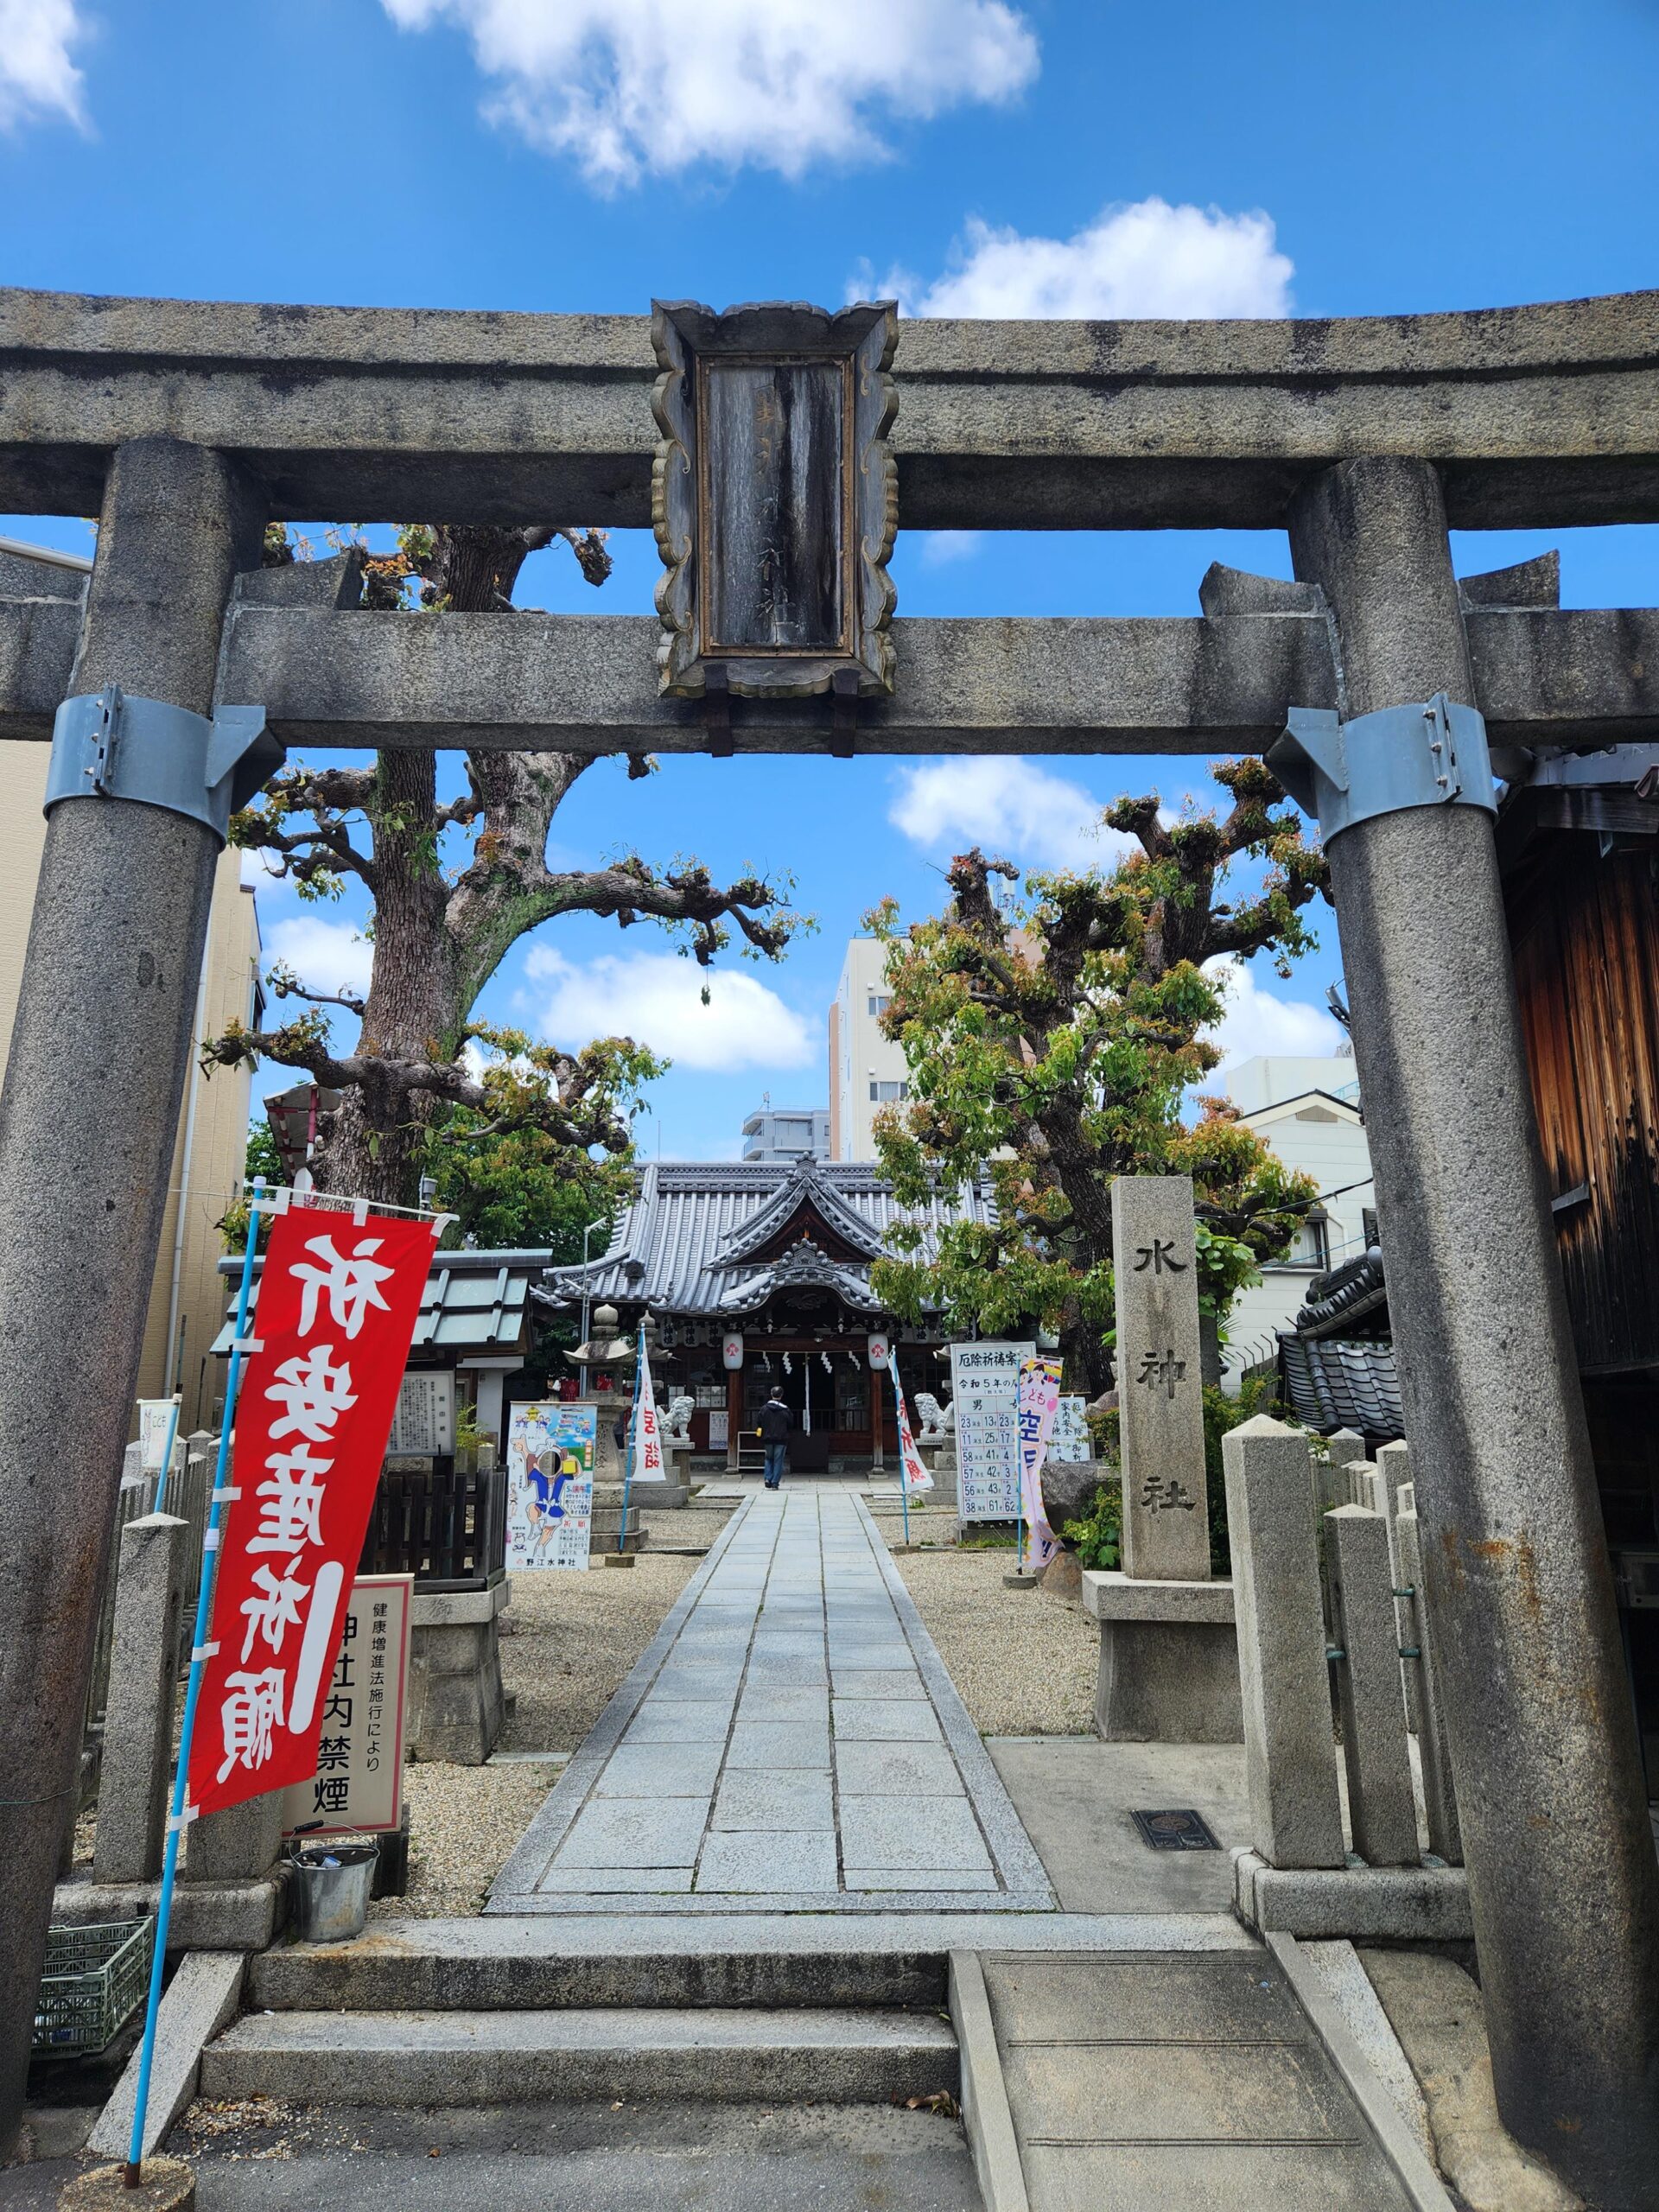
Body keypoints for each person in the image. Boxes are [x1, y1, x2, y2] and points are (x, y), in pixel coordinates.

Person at [756, 1387, 790, 1490]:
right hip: (781, 1438)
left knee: (768, 1458)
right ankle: (775, 1483)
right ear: (781, 1395)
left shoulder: (764, 1408)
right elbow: (790, 1423)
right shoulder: (785, 1410)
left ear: (771, 1394)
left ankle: (768, 1478)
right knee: (778, 1460)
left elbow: (759, 1422)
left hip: (767, 1438)